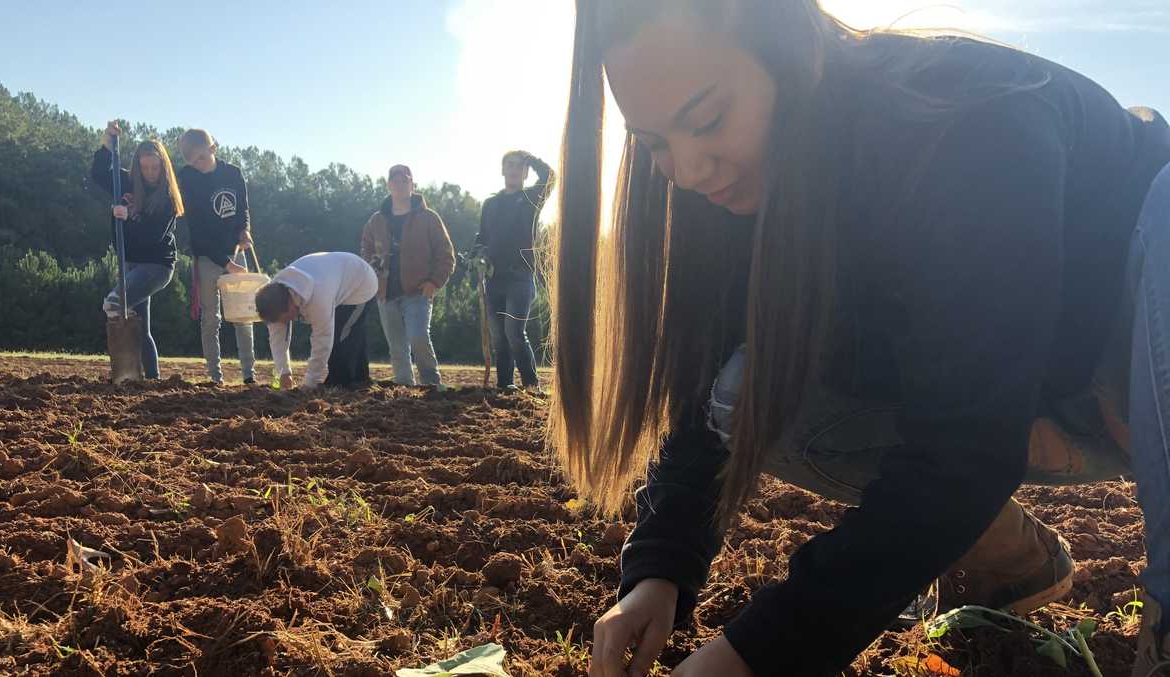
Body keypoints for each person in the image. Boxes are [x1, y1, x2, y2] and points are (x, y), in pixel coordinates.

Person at [548, 2, 1170, 676]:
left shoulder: (962, 118)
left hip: (1136, 351)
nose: (689, 169)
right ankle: (1009, 560)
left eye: (707, 120)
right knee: (751, 393)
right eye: (654, 144)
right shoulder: (734, 184)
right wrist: (659, 569)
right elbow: (708, 388)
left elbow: (966, 450)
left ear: (788, 52)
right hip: (1041, 402)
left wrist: (757, 656)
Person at [90, 121, 182, 380]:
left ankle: (127, 372)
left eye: (155, 167)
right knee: (142, 330)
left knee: (114, 303)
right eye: (144, 167)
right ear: (137, 167)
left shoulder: (168, 198)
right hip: (131, 263)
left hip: (156, 266)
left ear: (163, 167)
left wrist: (128, 215)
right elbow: (99, 174)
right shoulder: (125, 182)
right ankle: (152, 380)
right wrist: (106, 144)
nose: (150, 173)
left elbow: (153, 237)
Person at [361, 164, 455, 388]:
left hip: (418, 292)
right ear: (388, 185)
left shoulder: (429, 218)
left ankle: (431, 385)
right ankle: (404, 389)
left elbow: (446, 254)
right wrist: (375, 274)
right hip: (386, 293)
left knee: (418, 337)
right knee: (397, 347)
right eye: (395, 181)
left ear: (412, 185)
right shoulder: (376, 220)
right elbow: (366, 249)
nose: (400, 185)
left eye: (405, 181)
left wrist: (434, 282)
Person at [176, 128, 257, 385]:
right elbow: (196, 230)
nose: (198, 165)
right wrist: (225, 263)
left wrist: (244, 231)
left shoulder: (232, 173)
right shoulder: (187, 178)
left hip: (235, 252)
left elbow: (243, 209)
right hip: (207, 257)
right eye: (193, 162)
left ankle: (249, 376)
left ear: (213, 148)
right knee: (211, 318)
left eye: (201, 158)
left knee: (243, 316)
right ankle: (215, 377)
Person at [474, 150, 555, 390]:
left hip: (520, 276)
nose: (513, 169)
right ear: (502, 170)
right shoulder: (490, 204)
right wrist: (477, 254)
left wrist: (531, 158)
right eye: (509, 165)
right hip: (493, 278)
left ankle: (531, 385)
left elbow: (550, 177)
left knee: (514, 332)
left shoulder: (531, 198)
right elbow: (482, 237)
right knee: (499, 336)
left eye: (519, 166)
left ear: (526, 172)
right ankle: (505, 386)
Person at [255, 252, 377, 390]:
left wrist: (310, 383)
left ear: (290, 305)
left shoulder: (318, 298)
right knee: (345, 338)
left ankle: (345, 384)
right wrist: (284, 373)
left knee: (341, 337)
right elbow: (277, 338)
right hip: (336, 279)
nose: (285, 323)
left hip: (360, 282)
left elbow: (322, 340)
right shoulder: (274, 296)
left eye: (285, 319)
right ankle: (360, 379)